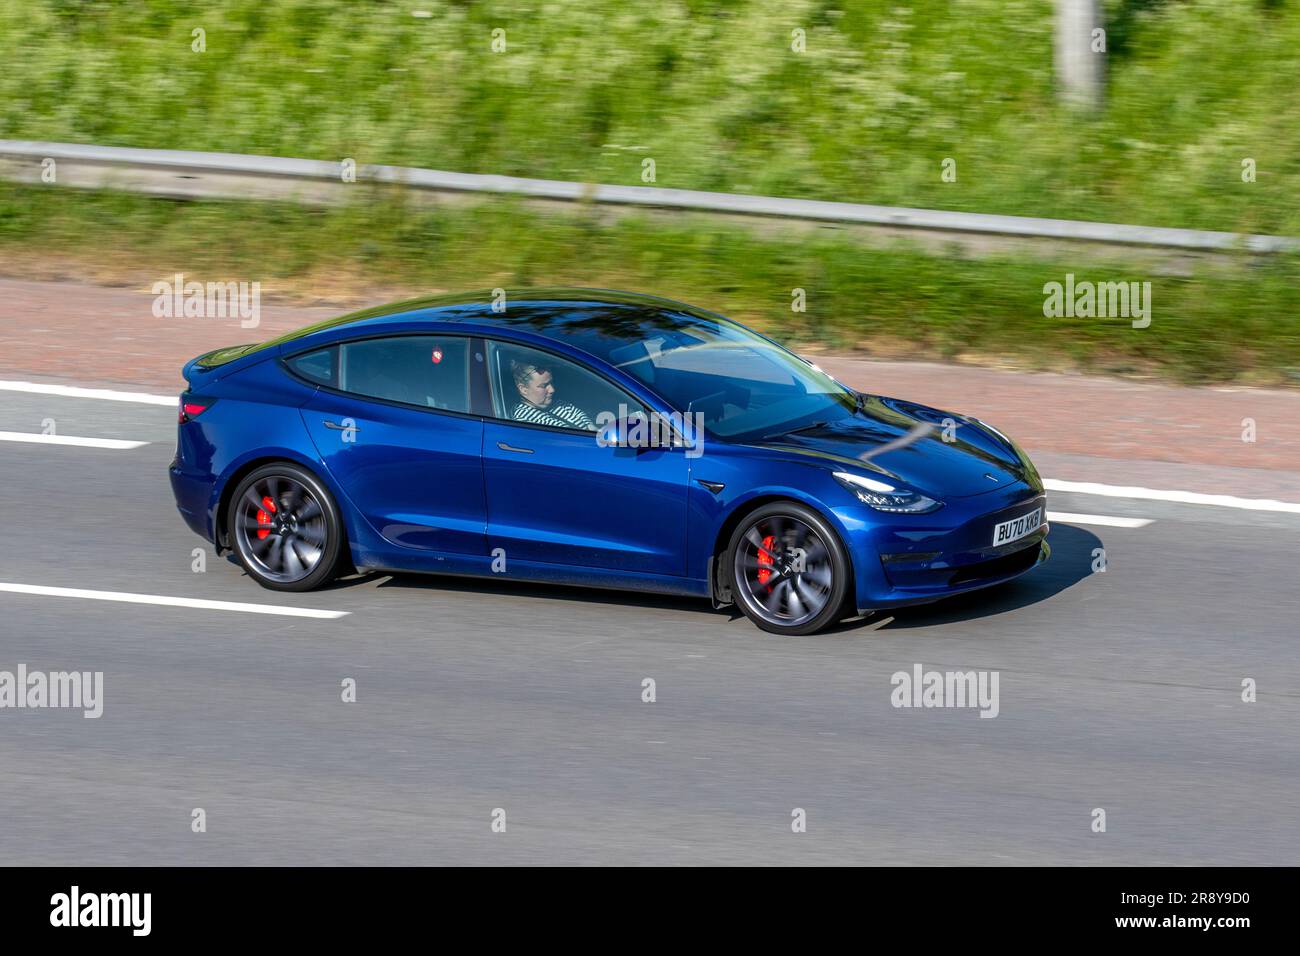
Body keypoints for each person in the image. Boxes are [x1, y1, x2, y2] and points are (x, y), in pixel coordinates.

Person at [510, 360, 595, 430]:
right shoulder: (524, 421)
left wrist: (592, 427)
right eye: (543, 386)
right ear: (523, 389)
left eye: (551, 383)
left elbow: (585, 421)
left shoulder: (559, 404)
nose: (552, 390)